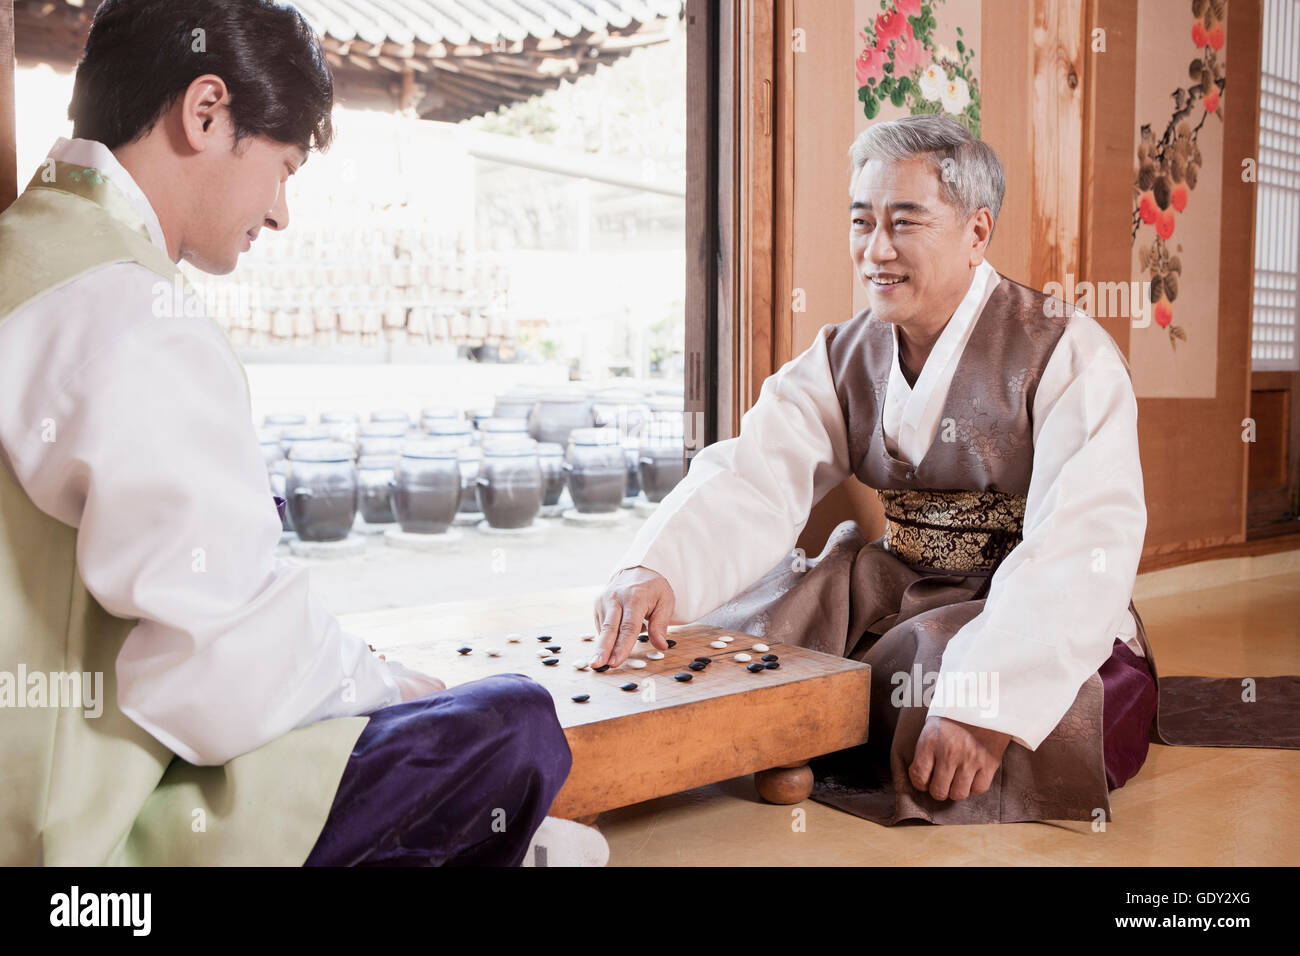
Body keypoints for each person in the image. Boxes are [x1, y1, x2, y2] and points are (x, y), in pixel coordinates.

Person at [0, 0, 604, 866]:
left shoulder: (27, 257)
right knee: (512, 725)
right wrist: (385, 684)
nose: (280, 211)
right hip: (82, 845)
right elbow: (219, 662)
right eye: (282, 166)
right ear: (205, 114)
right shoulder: (131, 313)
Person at [589, 114, 1160, 825]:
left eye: (904, 222)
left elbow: (1082, 540)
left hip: (1010, 600)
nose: (875, 250)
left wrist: (986, 707)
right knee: (741, 645)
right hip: (894, 581)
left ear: (977, 231)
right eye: (862, 222)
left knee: (943, 700)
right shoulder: (844, 354)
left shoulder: (1065, 351)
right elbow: (753, 476)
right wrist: (657, 568)